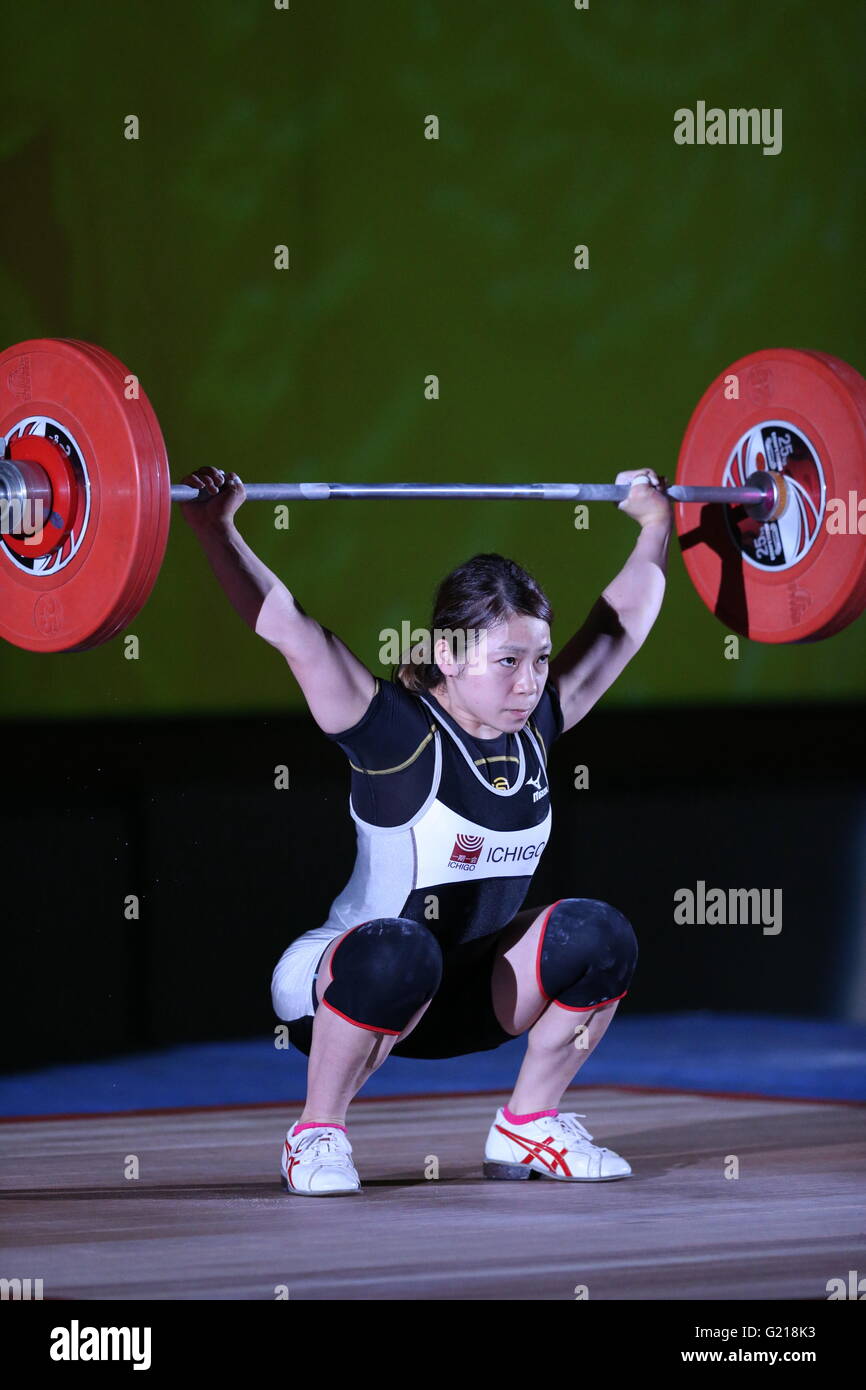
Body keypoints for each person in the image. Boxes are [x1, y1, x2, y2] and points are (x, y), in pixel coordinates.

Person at [180, 465, 673, 1197]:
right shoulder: (395, 732)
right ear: (446, 655)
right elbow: (290, 627)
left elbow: (620, 627)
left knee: (600, 936)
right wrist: (214, 528)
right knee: (402, 948)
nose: (530, 681)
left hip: (464, 996)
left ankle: (529, 1126)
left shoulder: (536, 727)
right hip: (347, 983)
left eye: (538, 660)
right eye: (507, 661)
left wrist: (657, 527)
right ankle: (316, 1133)